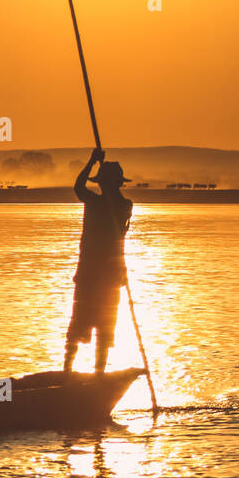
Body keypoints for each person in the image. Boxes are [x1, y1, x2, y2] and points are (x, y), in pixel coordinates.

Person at [64, 148, 132, 373]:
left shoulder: (123, 206)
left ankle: (99, 374)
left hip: (106, 279)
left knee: (104, 329)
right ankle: (67, 371)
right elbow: (78, 188)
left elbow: (79, 187)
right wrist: (93, 162)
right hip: (91, 277)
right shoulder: (99, 203)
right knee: (78, 325)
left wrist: (93, 162)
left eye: (105, 183)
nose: (103, 186)